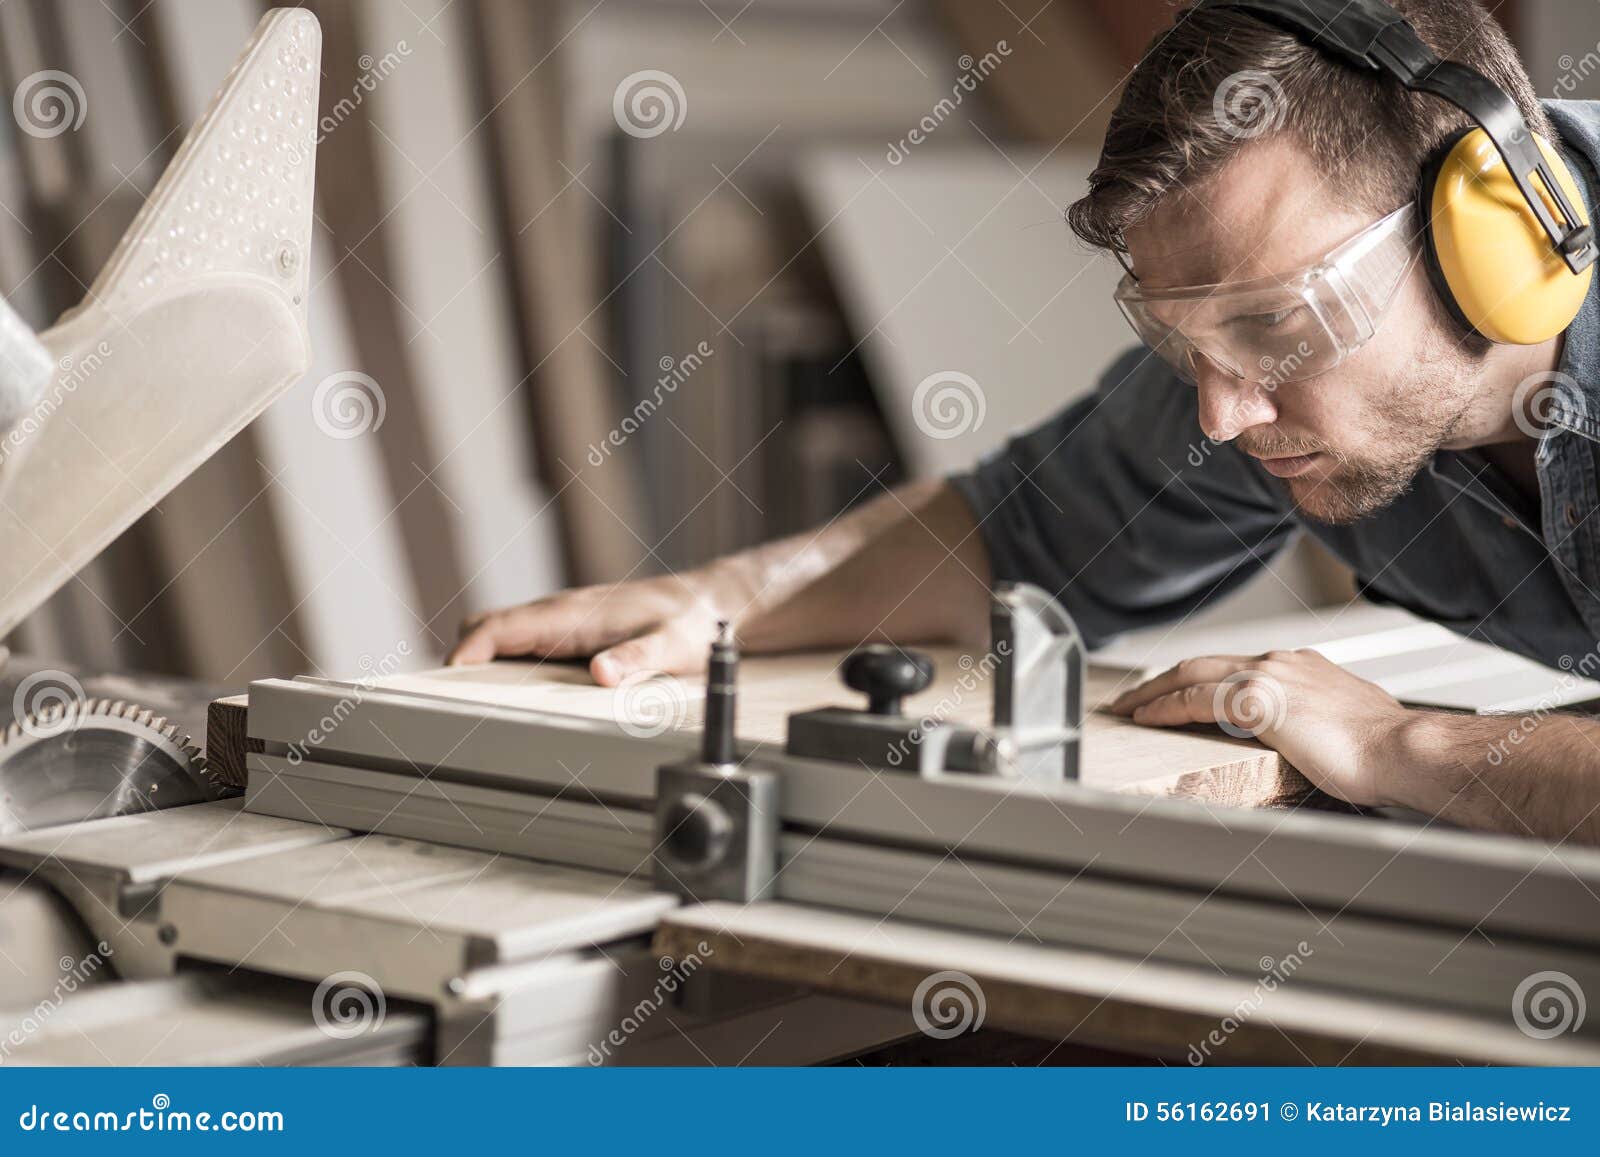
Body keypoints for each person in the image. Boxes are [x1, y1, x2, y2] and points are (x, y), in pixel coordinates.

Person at [451, 0, 1600, 845]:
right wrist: (731, 599)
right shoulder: (1257, 377)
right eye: (1186, 343)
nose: (1220, 409)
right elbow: (1013, 535)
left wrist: (1405, 746)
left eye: (1275, 327)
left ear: (1497, 231)